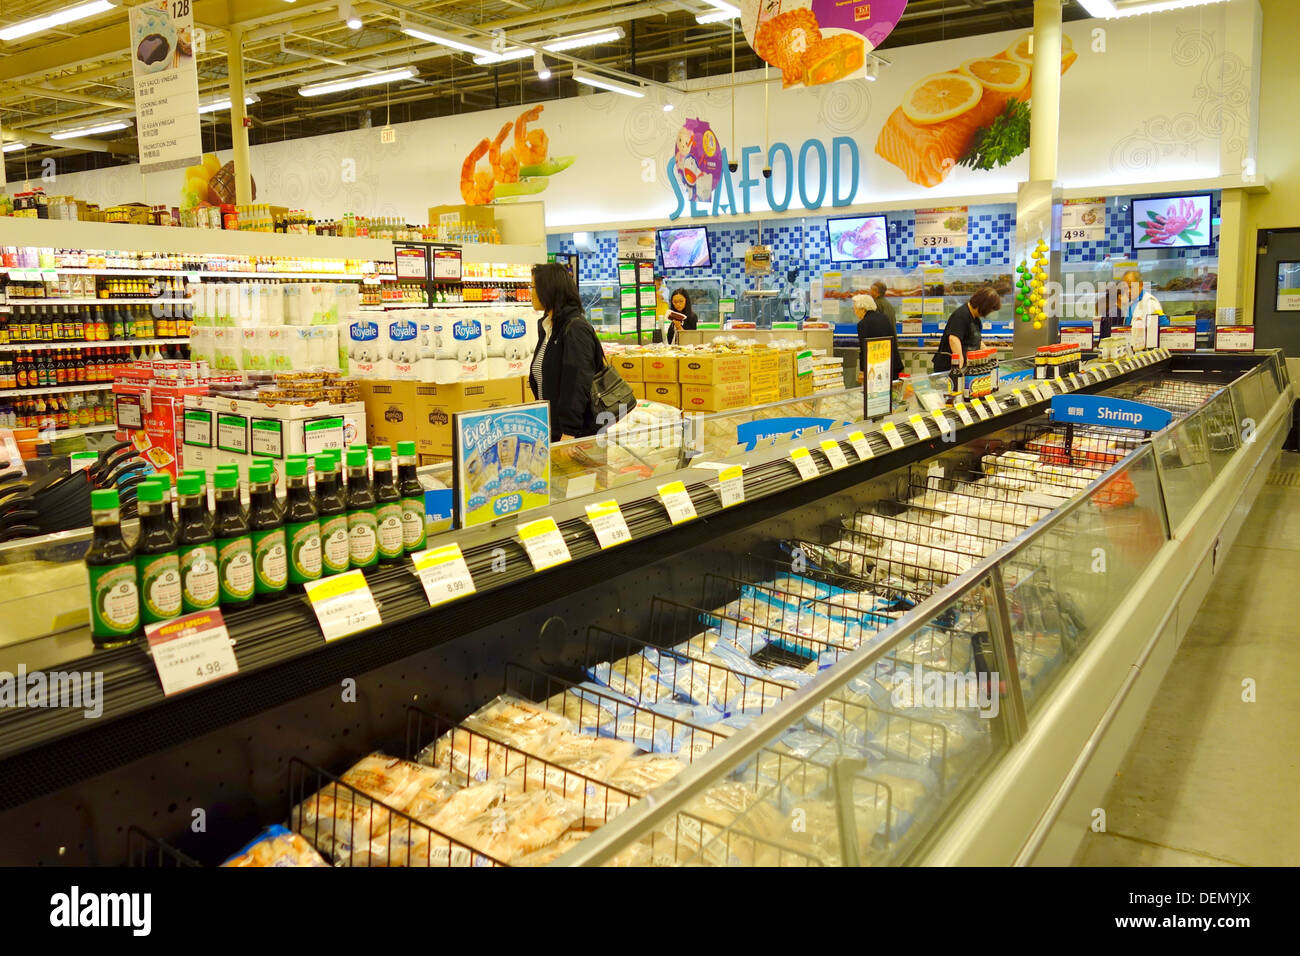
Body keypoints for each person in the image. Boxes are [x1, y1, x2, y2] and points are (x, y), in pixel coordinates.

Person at [529, 262, 604, 441]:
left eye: (533, 287)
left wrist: (569, 431)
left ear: (549, 289)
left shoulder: (575, 328)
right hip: (551, 429)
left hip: (575, 436)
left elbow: (578, 382)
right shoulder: (548, 328)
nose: (530, 293)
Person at [934, 287, 1001, 373]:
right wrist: (960, 363)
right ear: (983, 306)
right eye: (989, 310)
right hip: (948, 367)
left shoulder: (976, 319)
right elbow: (953, 339)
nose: (988, 313)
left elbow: (975, 339)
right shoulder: (961, 315)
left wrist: (988, 354)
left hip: (966, 367)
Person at [853, 293, 902, 384]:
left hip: (876, 369)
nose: (854, 312)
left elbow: (864, 349)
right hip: (891, 364)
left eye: (855, 309)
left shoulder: (863, 324)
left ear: (863, 309)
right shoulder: (884, 318)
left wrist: (862, 370)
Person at [1118, 269, 1166, 347]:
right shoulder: (1131, 303)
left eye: (1131, 287)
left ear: (1141, 285)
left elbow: (1164, 327)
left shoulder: (1150, 302)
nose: (1128, 291)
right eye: (1125, 288)